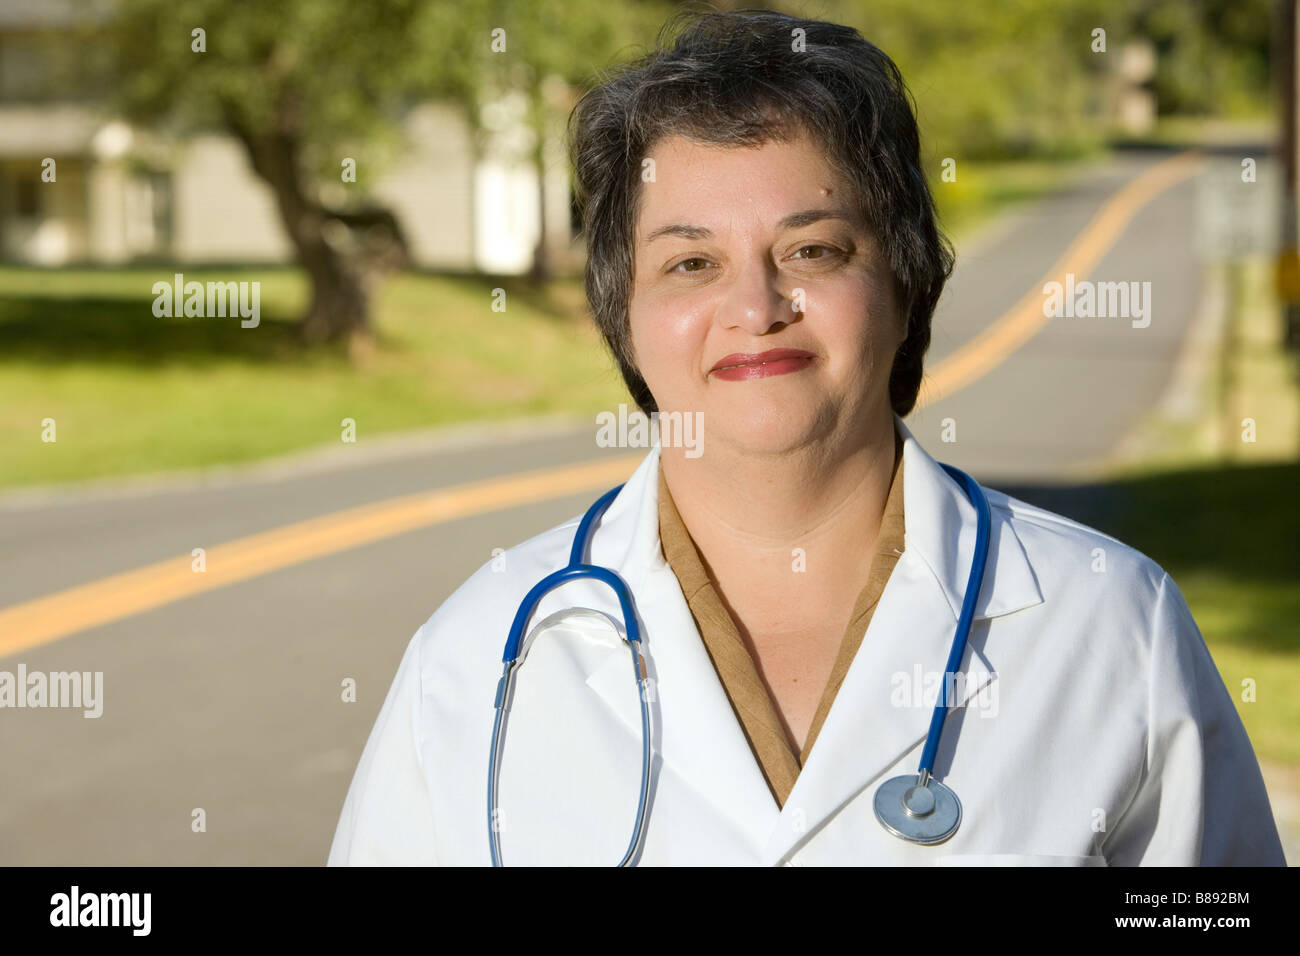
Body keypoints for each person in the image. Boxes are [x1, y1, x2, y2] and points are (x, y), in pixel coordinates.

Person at [327, 9, 1286, 866]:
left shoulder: (1110, 627)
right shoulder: (480, 656)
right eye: (691, 261)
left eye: (812, 250)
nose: (754, 306)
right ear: (622, 315)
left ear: (905, 281)